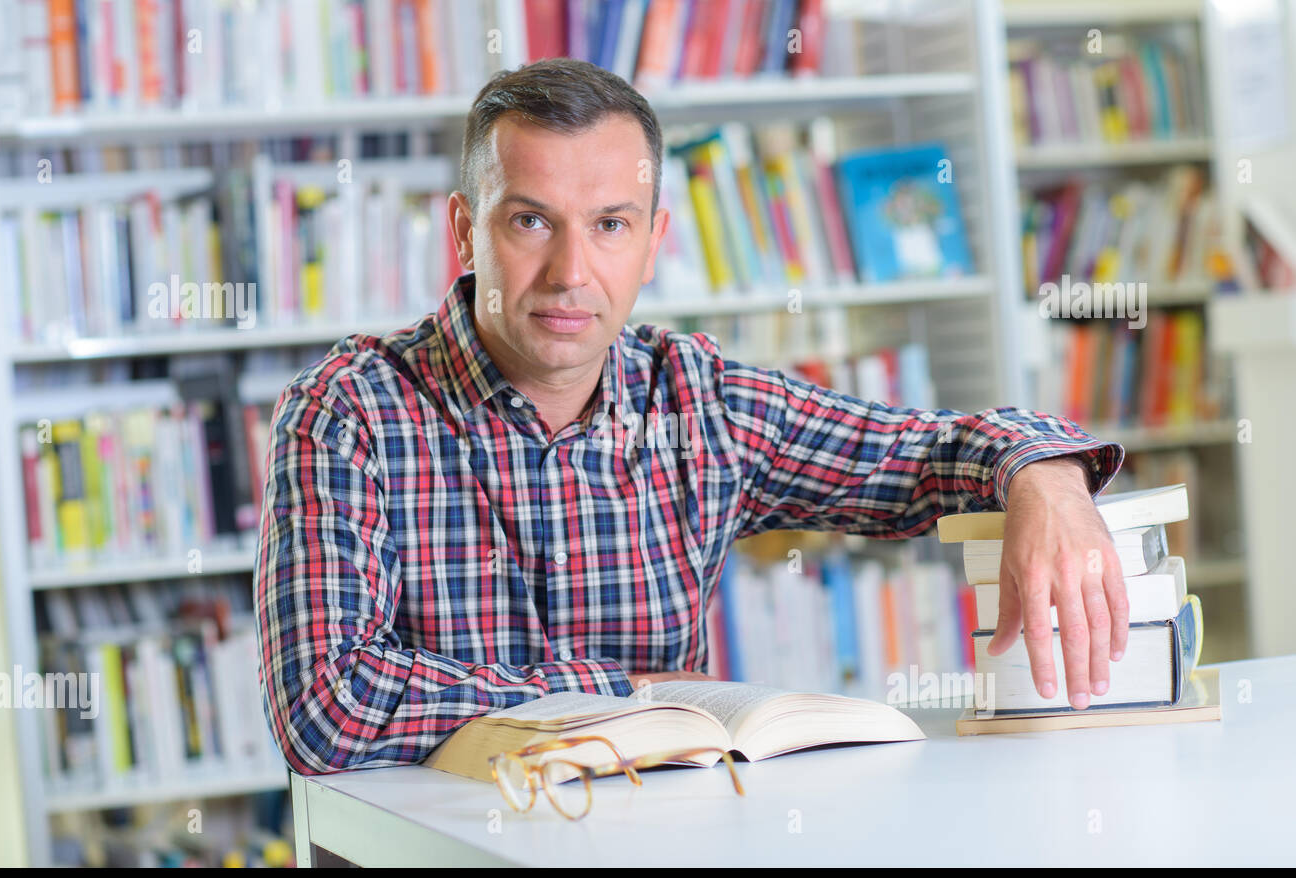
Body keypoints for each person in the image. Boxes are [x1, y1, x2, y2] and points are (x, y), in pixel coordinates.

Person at [255, 58, 1126, 775]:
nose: (571, 271)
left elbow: (925, 455)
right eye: (530, 221)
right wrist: (623, 690)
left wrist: (1044, 476)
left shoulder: (700, 403)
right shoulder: (347, 413)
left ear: (653, 241)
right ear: (463, 230)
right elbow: (327, 709)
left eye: (609, 225)